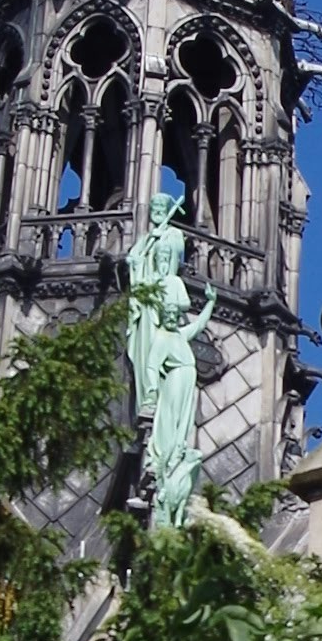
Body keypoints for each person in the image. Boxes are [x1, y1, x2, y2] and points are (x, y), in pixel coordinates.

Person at [121, 189, 218, 530]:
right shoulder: (162, 336)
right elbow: (150, 366)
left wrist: (208, 303)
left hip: (184, 380)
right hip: (157, 351)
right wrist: (139, 263)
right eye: (156, 208)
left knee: (176, 422)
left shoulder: (176, 297)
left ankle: (168, 461)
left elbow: (195, 326)